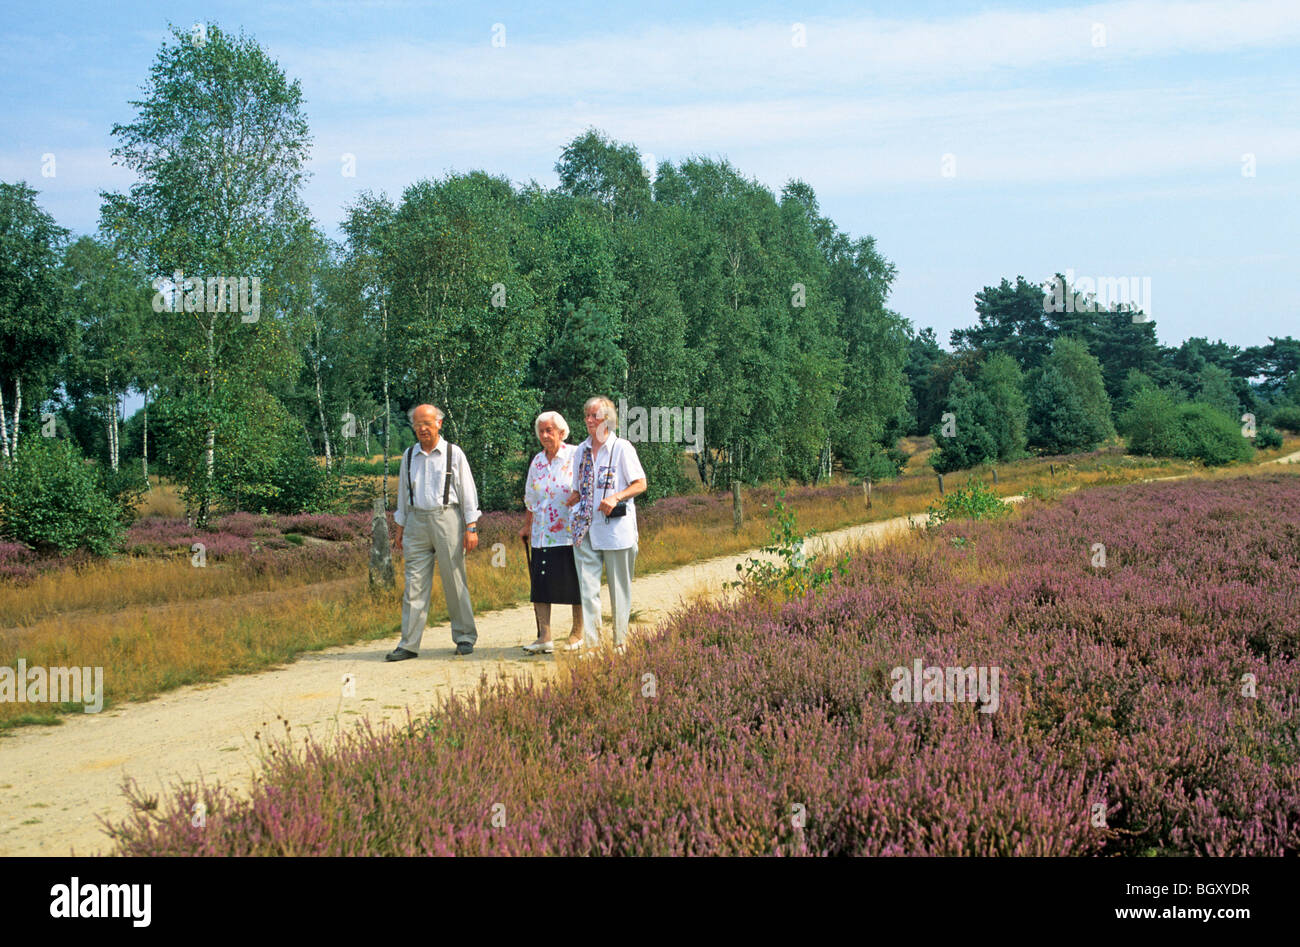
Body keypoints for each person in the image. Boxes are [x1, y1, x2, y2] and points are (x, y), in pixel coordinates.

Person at [387, 404, 480, 660]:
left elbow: (468, 492)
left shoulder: (454, 453)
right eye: (417, 425)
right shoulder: (408, 455)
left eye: (427, 423)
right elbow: (403, 495)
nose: (422, 429)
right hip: (416, 522)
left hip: (446, 518)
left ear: (439, 423)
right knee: (414, 585)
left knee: (454, 579)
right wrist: (400, 527)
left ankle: (464, 637)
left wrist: (471, 527)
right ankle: (409, 644)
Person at [565, 396, 647, 653]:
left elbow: (640, 483)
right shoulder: (581, 450)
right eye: (587, 416)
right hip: (586, 528)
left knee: (619, 588)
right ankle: (592, 646)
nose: (589, 421)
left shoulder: (622, 448)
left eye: (595, 416)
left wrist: (616, 496)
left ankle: (620, 642)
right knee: (588, 589)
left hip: (616, 531)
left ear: (608, 420)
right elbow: (580, 487)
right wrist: (574, 497)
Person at [518, 411, 583, 655]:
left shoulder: (576, 455)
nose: (545, 435)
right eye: (541, 431)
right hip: (542, 534)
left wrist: (582, 495)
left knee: (574, 584)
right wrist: (527, 525)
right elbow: (531, 498)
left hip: (570, 533)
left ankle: (577, 632)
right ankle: (544, 636)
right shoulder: (537, 461)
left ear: (561, 432)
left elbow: (589, 485)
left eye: (549, 430)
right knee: (541, 585)